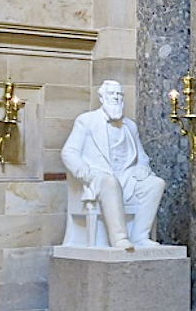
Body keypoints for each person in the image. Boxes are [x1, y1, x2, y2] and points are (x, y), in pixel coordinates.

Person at [61, 80, 166, 249]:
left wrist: (142, 168)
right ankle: (119, 238)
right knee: (110, 182)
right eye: (112, 94)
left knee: (156, 183)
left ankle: (140, 236)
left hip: (126, 176)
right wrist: (86, 173)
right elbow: (69, 152)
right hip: (98, 178)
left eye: (119, 94)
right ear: (102, 97)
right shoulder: (87, 121)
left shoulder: (130, 126)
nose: (116, 98)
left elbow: (142, 156)